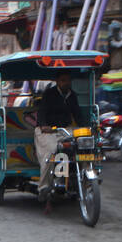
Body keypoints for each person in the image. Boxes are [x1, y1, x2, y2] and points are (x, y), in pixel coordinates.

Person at [34, 71, 84, 199]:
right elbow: (42, 112)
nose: (66, 83)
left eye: (68, 80)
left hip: (64, 129)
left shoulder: (72, 95)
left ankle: (83, 177)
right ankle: (44, 187)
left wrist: (87, 128)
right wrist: (44, 125)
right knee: (51, 151)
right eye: (63, 80)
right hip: (47, 130)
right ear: (57, 81)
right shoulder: (49, 94)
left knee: (85, 143)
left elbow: (77, 114)